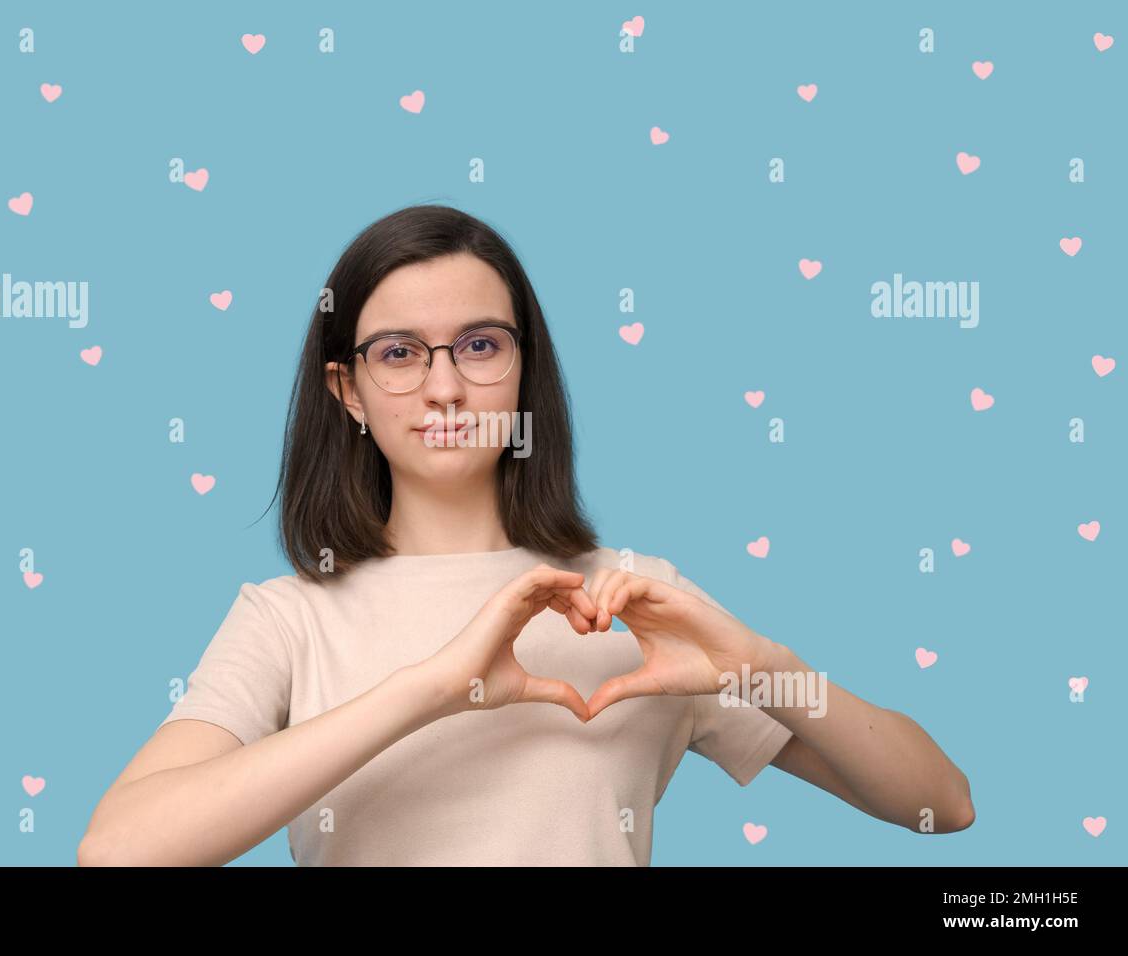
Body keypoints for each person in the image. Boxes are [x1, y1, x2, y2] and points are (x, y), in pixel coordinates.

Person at [77, 204, 975, 866]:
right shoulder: (287, 618)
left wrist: (751, 658)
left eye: (478, 345)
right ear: (346, 392)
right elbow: (119, 852)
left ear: (522, 370)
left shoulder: (635, 602)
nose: (444, 389)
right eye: (398, 353)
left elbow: (938, 802)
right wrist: (435, 688)